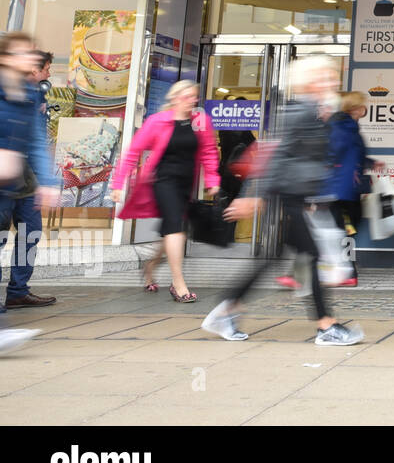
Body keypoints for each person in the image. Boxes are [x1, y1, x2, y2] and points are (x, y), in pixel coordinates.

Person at [202, 55, 363, 346]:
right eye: (326, 77)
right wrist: (254, 196)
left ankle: (227, 309)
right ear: (310, 82)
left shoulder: (317, 111)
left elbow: (312, 158)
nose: (334, 82)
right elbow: (276, 155)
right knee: (310, 256)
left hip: (302, 194)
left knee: (275, 259)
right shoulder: (299, 111)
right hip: (290, 195)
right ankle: (326, 326)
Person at [109, 79, 220, 303]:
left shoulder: (200, 121)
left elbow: (208, 150)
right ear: (174, 98)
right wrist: (118, 183)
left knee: (173, 231)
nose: (192, 101)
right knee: (176, 227)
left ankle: (150, 267)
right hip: (163, 181)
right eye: (187, 97)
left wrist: (212, 178)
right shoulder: (157, 121)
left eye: (194, 97)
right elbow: (133, 152)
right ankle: (178, 284)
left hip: (186, 183)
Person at [0, 33, 61, 344]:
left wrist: (48, 182)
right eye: (25, 52)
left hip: (14, 185)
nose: (33, 58)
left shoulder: (28, 91)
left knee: (29, 233)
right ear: (6, 57)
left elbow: (37, 140)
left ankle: (17, 293)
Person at [326, 90, 370, 286]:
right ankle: (346, 272)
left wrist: (370, 163)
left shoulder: (349, 126)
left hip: (347, 187)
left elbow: (354, 156)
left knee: (346, 229)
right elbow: (335, 156)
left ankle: (346, 271)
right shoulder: (342, 127)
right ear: (355, 108)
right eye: (362, 104)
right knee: (343, 229)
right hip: (340, 189)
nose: (365, 108)